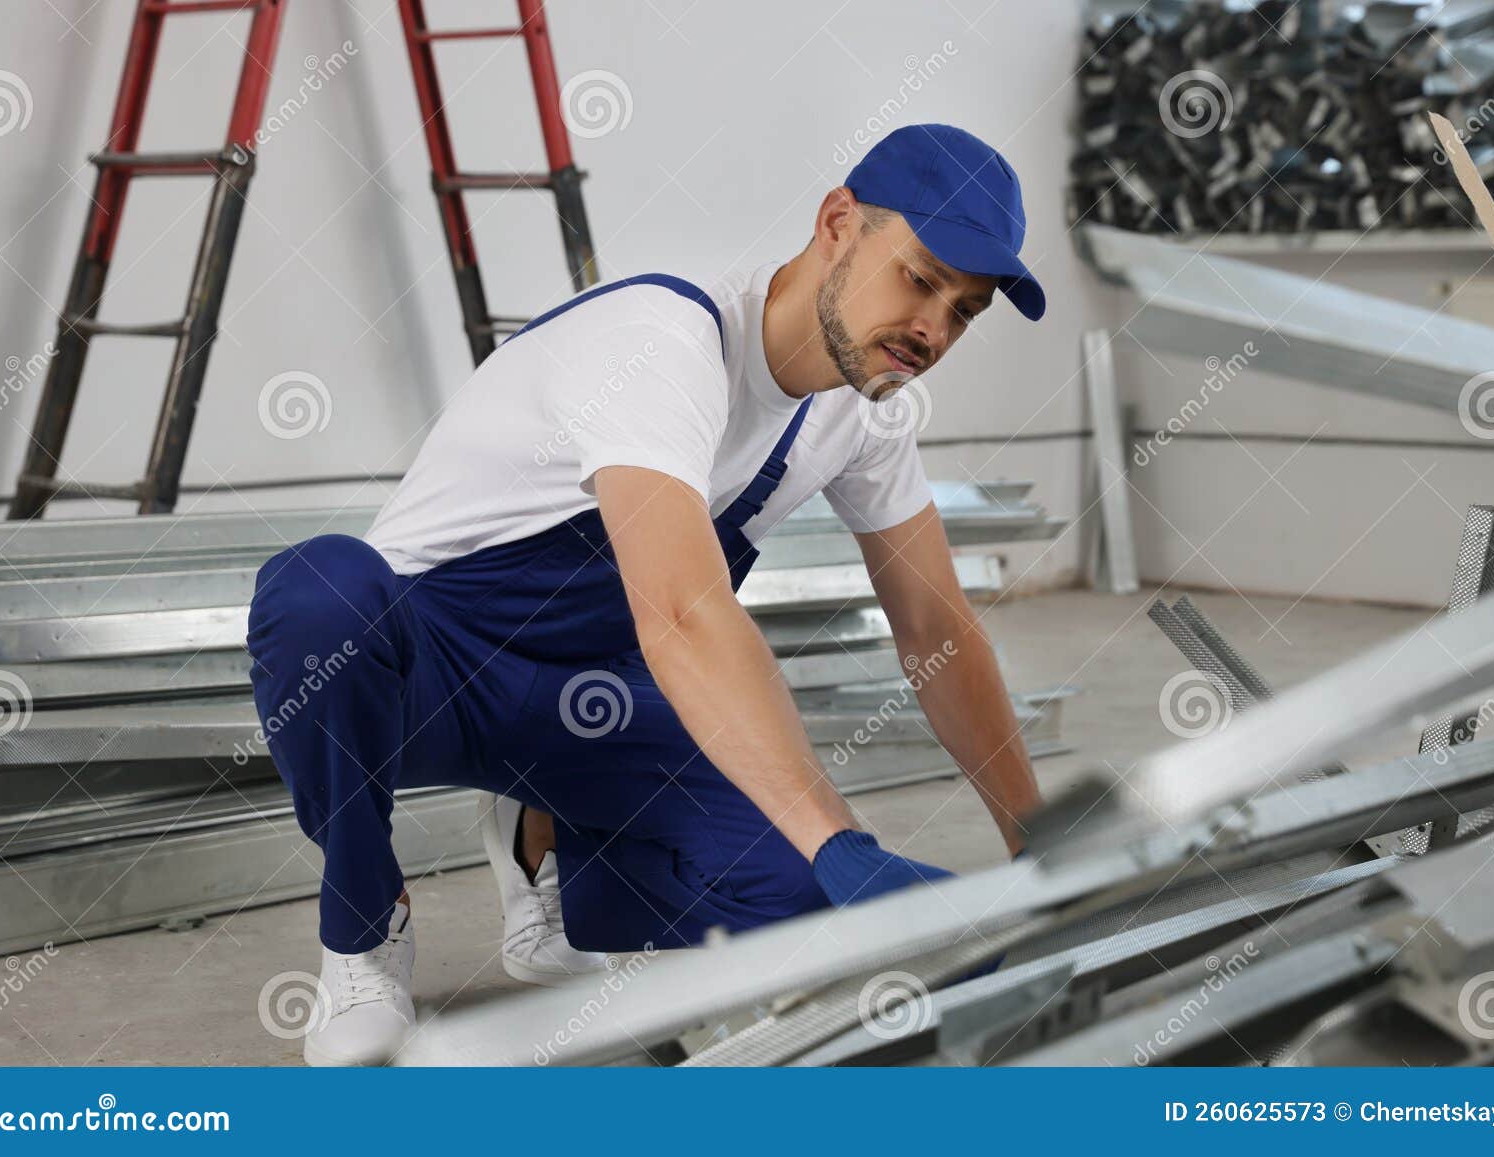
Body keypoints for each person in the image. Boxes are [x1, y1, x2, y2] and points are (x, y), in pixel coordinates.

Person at [246, 123, 1047, 1067]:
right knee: (320, 595)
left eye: (965, 310)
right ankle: (364, 932)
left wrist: (1042, 849)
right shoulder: (662, 342)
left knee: (838, 925)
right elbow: (682, 614)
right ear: (838, 223)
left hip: (596, 706)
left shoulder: (861, 413)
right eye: (920, 279)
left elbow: (935, 627)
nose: (933, 329)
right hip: (426, 673)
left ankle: (554, 858)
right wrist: (838, 840)